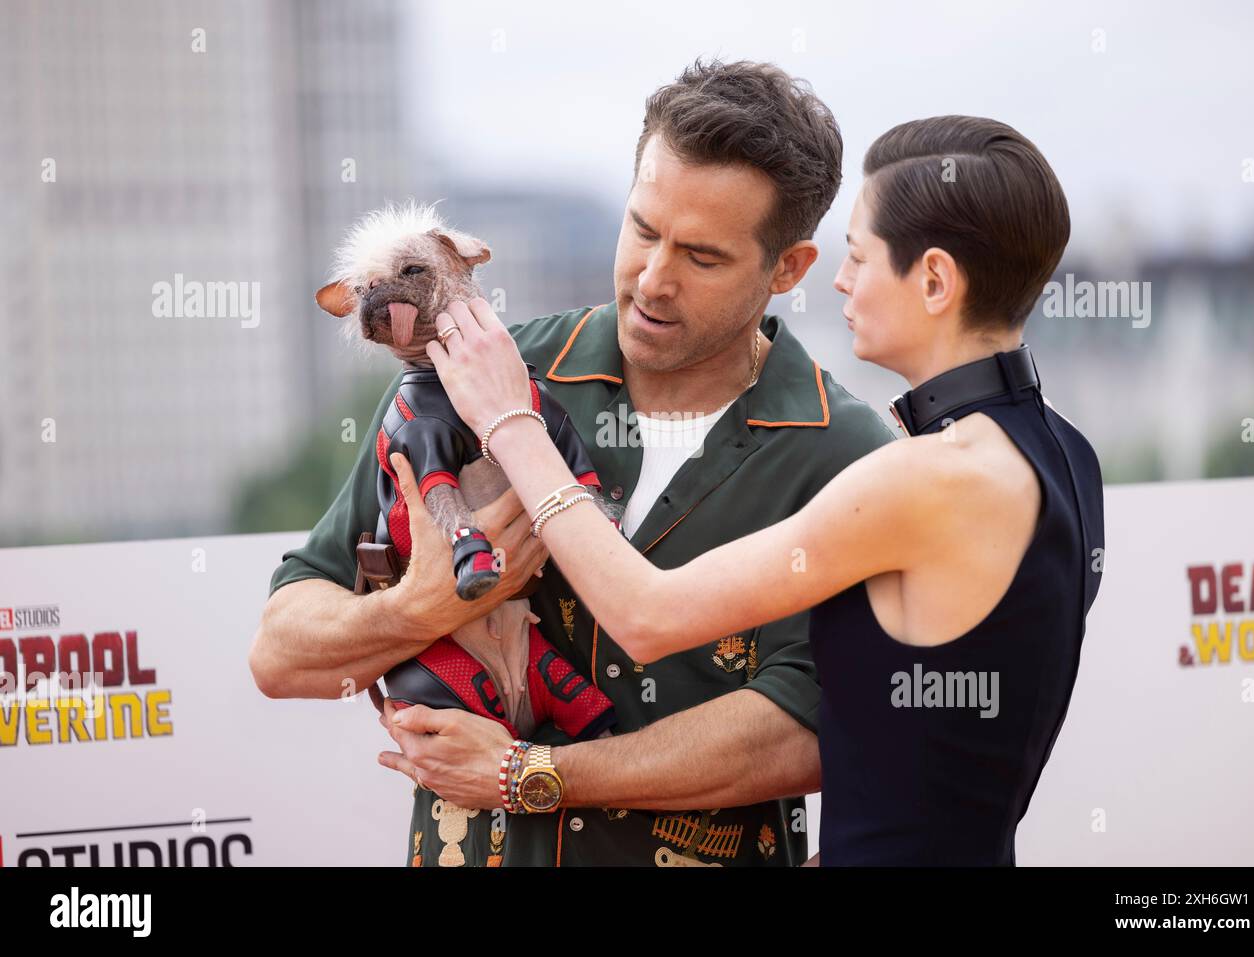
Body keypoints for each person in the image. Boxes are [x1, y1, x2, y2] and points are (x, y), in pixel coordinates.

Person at [249, 59, 895, 867]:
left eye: (701, 256)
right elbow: (281, 653)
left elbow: (807, 735)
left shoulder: (849, 453)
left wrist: (534, 775)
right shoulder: (469, 368)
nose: (653, 280)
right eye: (644, 230)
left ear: (789, 269)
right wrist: (421, 606)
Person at [415, 115, 1106, 866]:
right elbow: (943, 758)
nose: (840, 279)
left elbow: (644, 614)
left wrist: (510, 422)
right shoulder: (1066, 454)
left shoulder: (922, 476)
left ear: (935, 280)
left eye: (860, 256)